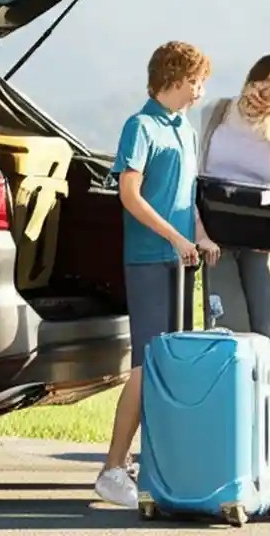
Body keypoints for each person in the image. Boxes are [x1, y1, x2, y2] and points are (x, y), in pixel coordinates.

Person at [93, 40, 221, 509]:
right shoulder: (141, 126)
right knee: (145, 365)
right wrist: (173, 237)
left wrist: (199, 235)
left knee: (171, 364)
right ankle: (112, 469)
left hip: (181, 260)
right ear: (174, 79)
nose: (200, 90)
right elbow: (130, 194)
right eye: (196, 81)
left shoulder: (185, 129)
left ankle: (158, 465)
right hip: (149, 258)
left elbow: (187, 195)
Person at [198, 54, 270, 488]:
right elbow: (199, 172)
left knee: (268, 342)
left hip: (264, 243)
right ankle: (238, 446)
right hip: (217, 238)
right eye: (259, 87)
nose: (262, 98)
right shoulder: (216, 114)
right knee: (230, 335)